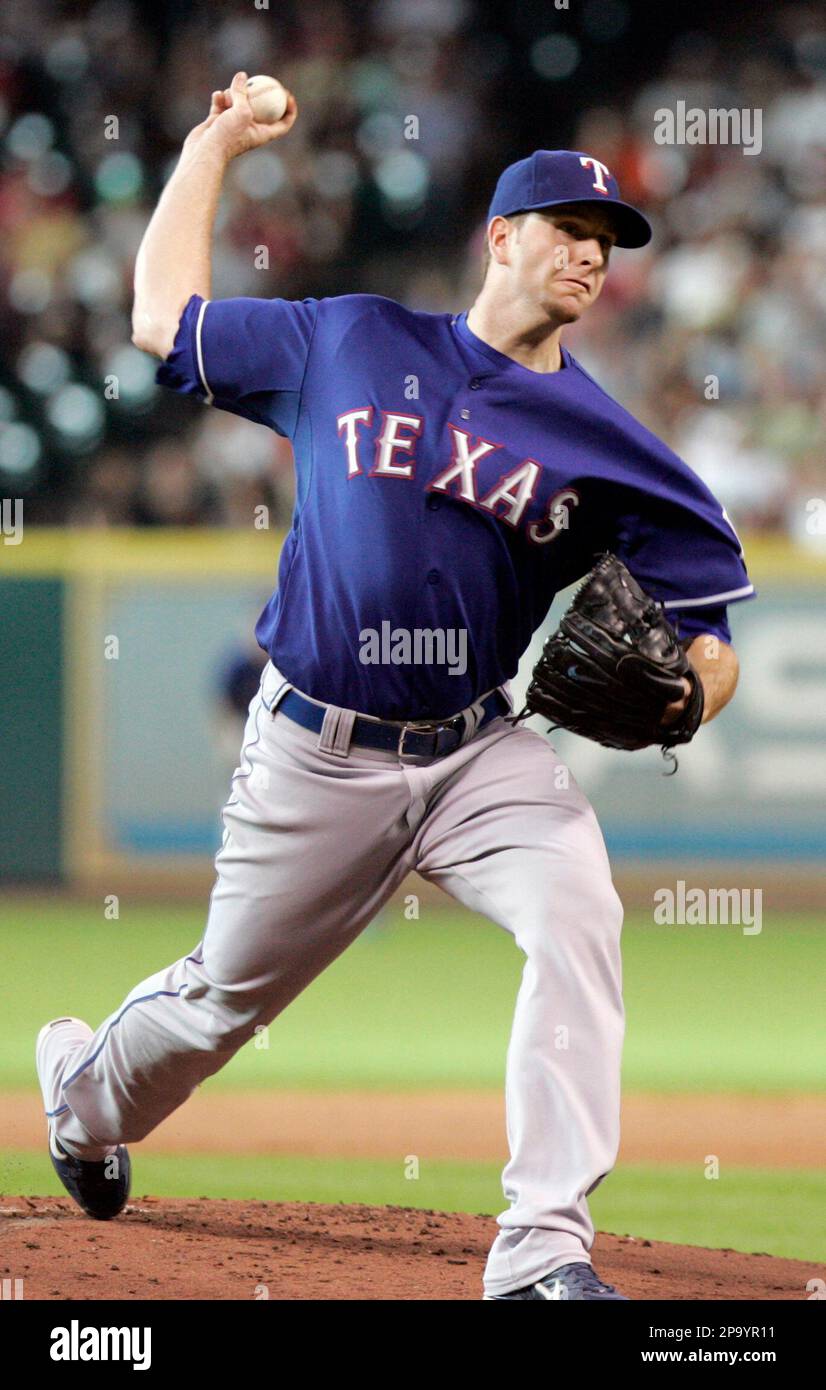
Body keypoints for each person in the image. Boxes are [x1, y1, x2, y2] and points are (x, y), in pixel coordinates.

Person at [37, 74, 752, 1301]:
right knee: (218, 1002)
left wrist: (694, 696)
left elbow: (707, 626)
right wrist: (212, 138)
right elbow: (165, 318)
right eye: (569, 231)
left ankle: (539, 1253)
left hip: (482, 754)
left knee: (578, 913)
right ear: (502, 238)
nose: (589, 255)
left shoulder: (612, 444)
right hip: (317, 750)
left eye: (607, 241)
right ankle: (82, 1099)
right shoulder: (351, 337)